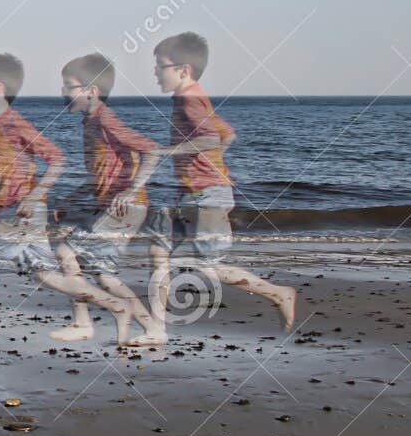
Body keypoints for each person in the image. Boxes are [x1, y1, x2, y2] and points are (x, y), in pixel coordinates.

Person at [150, 32, 296, 330]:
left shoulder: (189, 100)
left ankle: (279, 293)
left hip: (207, 196)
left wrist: (169, 151)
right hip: (193, 193)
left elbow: (209, 138)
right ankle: (156, 327)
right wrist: (205, 165)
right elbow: (227, 135)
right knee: (158, 252)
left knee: (209, 268)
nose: (155, 72)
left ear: (183, 70)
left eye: (160, 66)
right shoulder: (193, 97)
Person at [53, 53, 166, 345]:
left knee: (67, 252)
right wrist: (72, 197)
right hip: (113, 206)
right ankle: (152, 329)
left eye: (69, 87)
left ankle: (84, 323)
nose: (63, 93)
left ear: (91, 91)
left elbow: (152, 150)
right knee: (103, 275)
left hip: (127, 207)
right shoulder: (89, 122)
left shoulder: (104, 119)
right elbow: (102, 172)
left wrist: (129, 191)